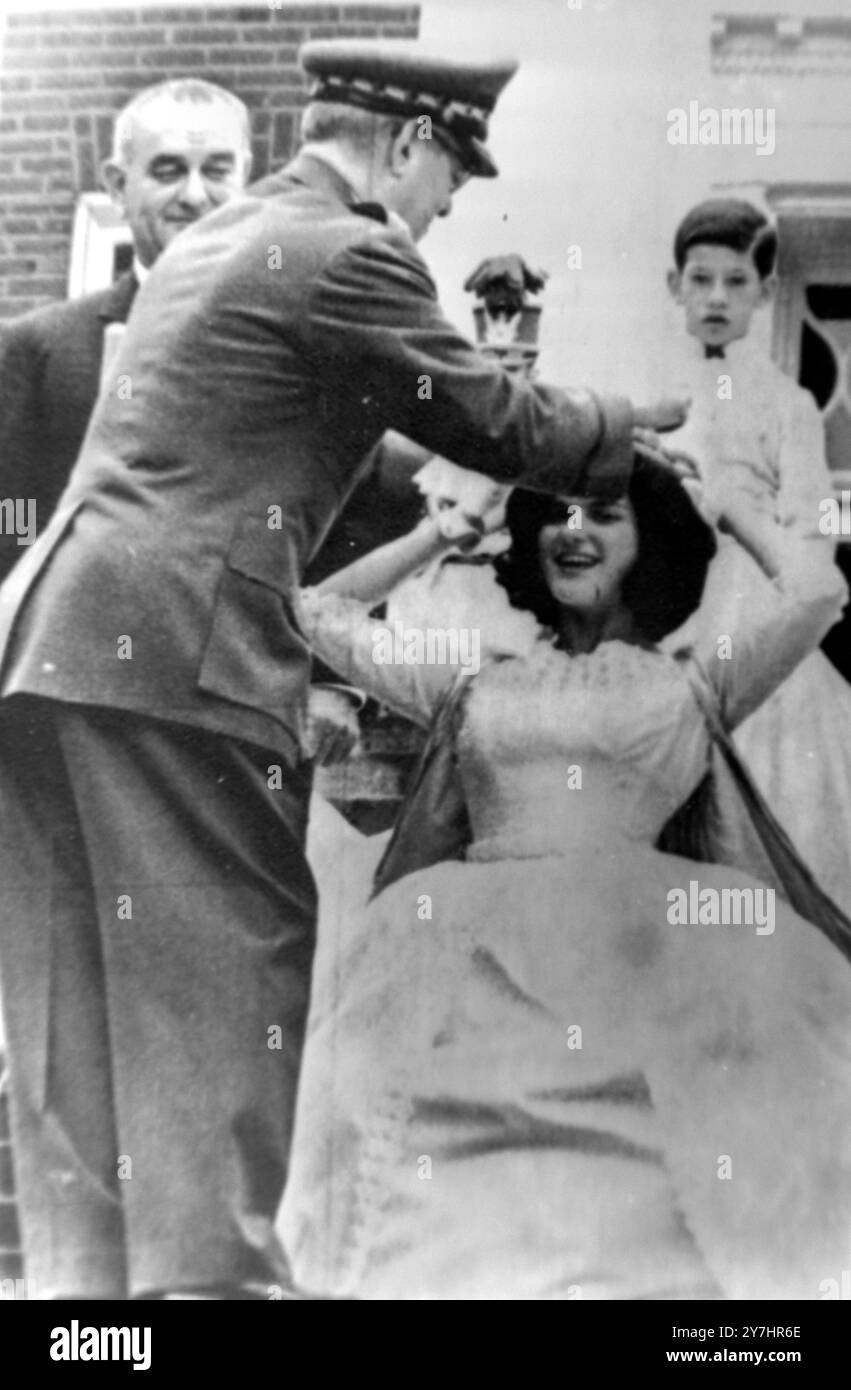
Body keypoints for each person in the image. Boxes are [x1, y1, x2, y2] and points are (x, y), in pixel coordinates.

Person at [0, 39, 686, 1301]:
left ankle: (87, 1313)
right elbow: (499, 418)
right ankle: (209, 1288)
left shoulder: (220, 245)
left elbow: (236, 440)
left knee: (83, 1003)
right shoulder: (352, 250)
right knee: (227, 958)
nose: (439, 212)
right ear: (410, 144)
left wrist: (421, 493)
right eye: (449, 183)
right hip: (176, 657)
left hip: (55, 654)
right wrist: (629, 425)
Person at [278, 447, 851, 1301]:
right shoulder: (471, 680)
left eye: (605, 515)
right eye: (556, 514)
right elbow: (310, 612)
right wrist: (441, 531)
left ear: (649, 542)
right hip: (462, 948)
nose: (572, 532)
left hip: (651, 946)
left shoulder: (698, 682)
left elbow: (817, 592)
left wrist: (728, 507)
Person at [660, 197, 851, 915]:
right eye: (699, 279)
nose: (715, 298)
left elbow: (808, 544)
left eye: (735, 282)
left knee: (769, 789)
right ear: (673, 285)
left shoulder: (787, 403)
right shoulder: (646, 389)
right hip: (660, 604)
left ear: (766, 293)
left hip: (745, 605)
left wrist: (732, 511)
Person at [0, 78, 253, 585]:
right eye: (169, 170)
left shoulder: (290, 342)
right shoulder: (40, 347)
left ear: (245, 178)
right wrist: (24, 587)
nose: (196, 195)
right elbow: (13, 504)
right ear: (118, 185)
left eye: (218, 171)